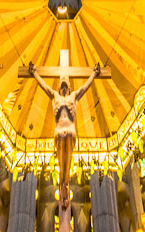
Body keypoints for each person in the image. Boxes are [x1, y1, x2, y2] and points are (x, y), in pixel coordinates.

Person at [28, 61, 100, 209]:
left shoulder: (74, 96)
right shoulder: (55, 96)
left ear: (69, 86)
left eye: (66, 82)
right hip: (59, 131)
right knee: (62, 165)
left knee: (67, 166)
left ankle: (65, 187)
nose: (64, 84)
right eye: (62, 83)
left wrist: (94, 74)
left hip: (71, 131)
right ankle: (63, 189)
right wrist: (34, 73)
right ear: (60, 86)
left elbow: (85, 87)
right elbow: (44, 87)